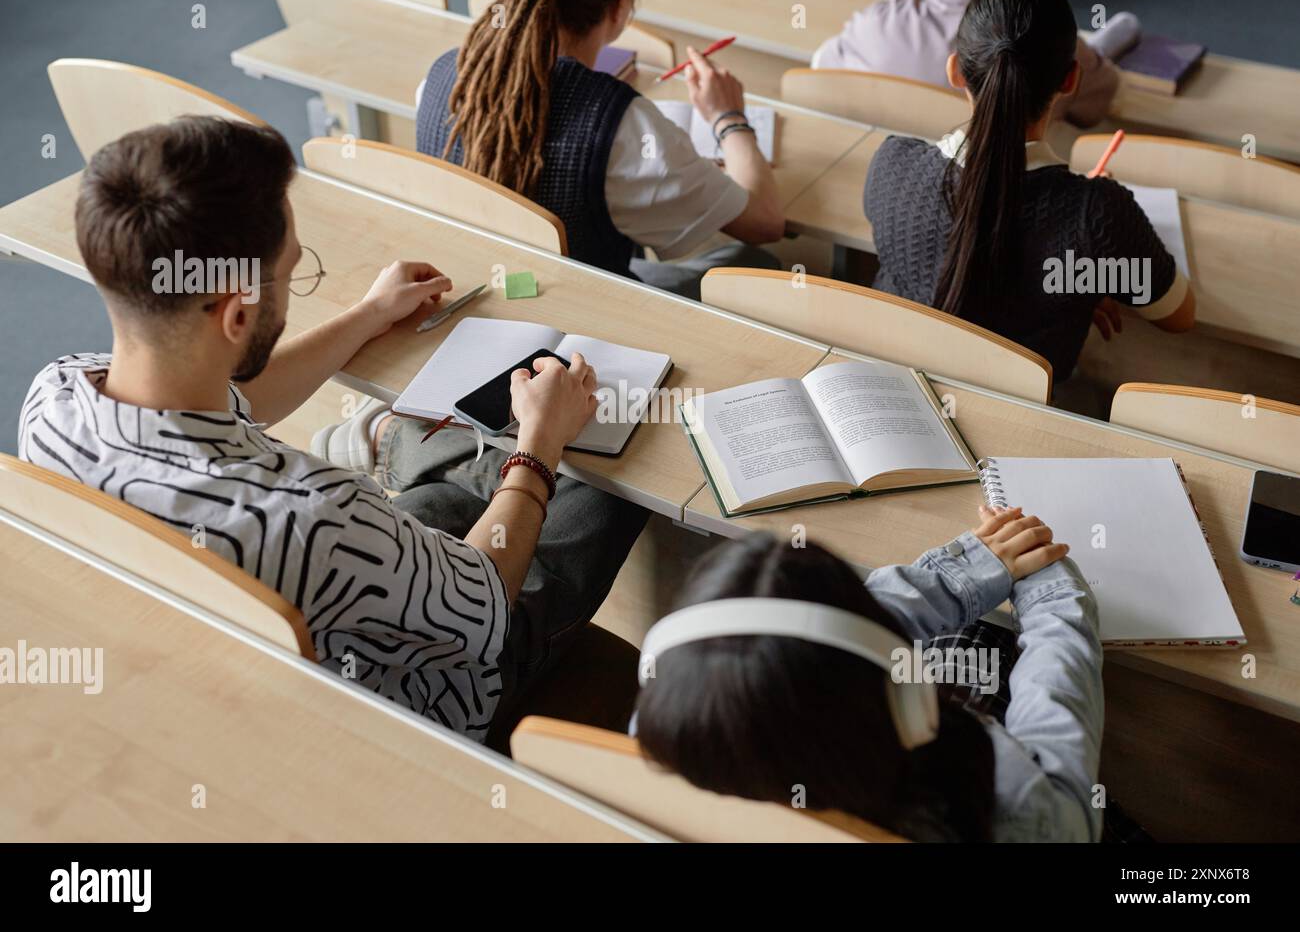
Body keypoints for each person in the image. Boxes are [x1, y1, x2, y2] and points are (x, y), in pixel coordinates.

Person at [18, 116, 647, 744]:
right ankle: (438, 452)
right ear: (238, 313)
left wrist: (368, 315)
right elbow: (485, 596)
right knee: (605, 479)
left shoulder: (56, 398)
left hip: (219, 668)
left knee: (440, 505)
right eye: (293, 270)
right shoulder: (315, 510)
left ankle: (420, 457)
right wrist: (541, 442)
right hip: (428, 702)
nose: (294, 282)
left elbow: (238, 396)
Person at [634, 506, 1104, 842]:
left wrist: (969, 570)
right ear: (909, 710)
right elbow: (1060, 749)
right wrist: (1053, 595)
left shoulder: (666, 740)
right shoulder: (1006, 813)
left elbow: (815, 641)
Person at [863, 0, 1195, 385]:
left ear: (955, 72)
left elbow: (950, 265)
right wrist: (1081, 277)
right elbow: (1179, 315)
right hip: (1017, 427)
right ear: (1071, 80)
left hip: (894, 398)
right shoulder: (1098, 216)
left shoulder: (892, 165)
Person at [414, 0, 785, 299]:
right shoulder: (624, 127)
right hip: (587, 319)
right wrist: (728, 117)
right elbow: (765, 223)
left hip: (476, 288)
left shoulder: (441, 76)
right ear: (620, 9)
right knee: (752, 262)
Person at [812, 0, 1118, 128]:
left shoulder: (878, 21)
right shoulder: (1049, 41)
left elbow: (820, 71)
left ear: (955, 70)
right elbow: (1096, 104)